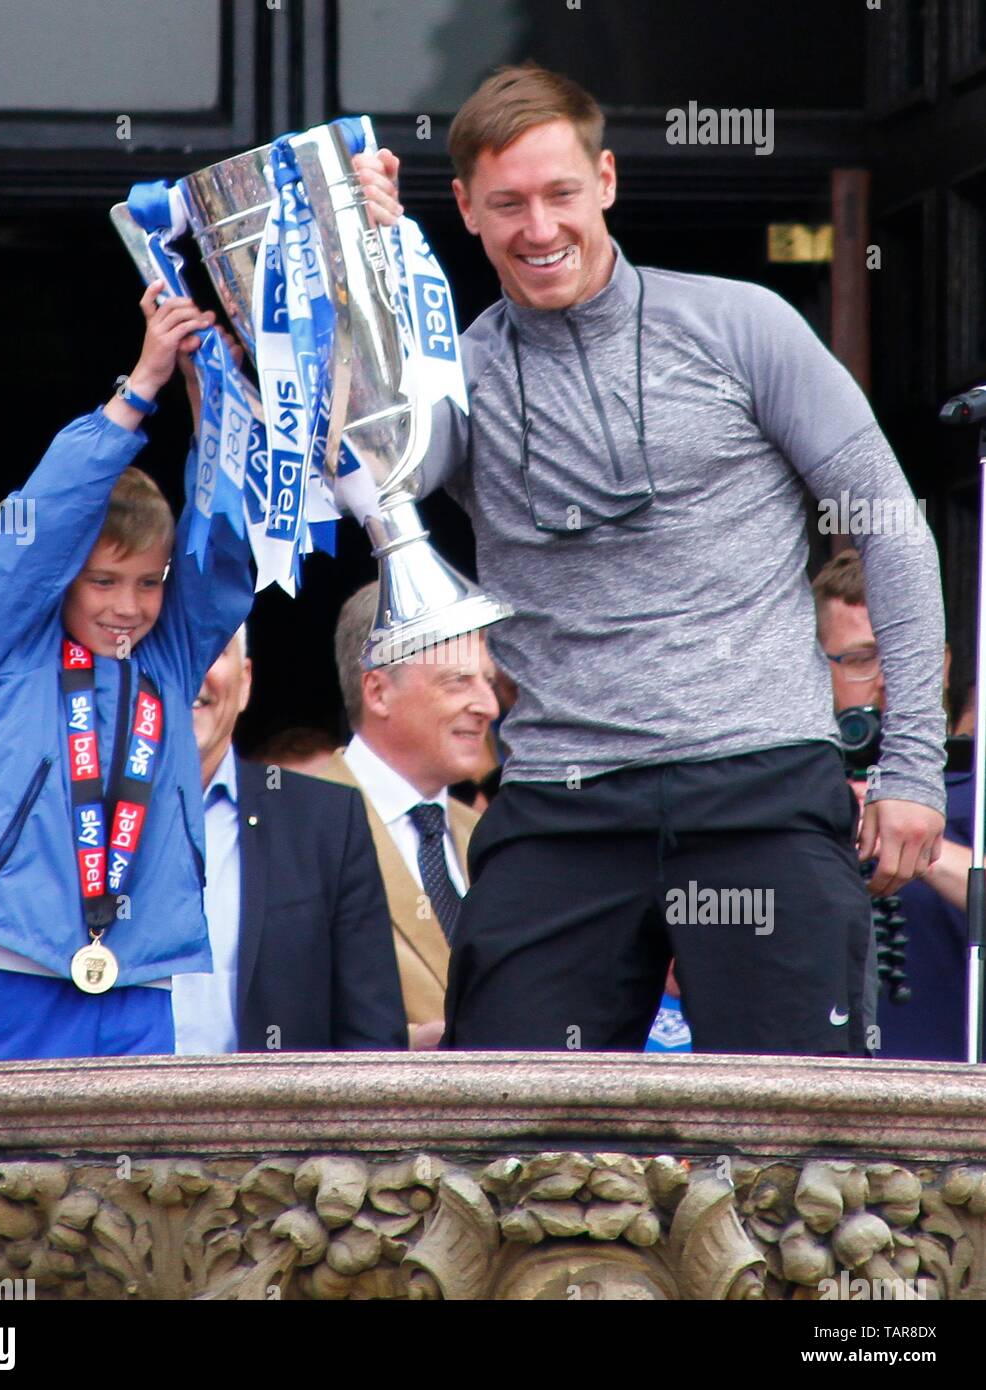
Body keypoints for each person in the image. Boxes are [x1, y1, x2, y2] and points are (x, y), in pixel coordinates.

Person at [359, 63, 946, 1054]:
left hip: (758, 786)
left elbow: (889, 526)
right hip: (561, 803)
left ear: (608, 181)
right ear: (463, 207)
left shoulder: (742, 324)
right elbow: (363, 462)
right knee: (496, 1134)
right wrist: (358, 260)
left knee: (797, 1149)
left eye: (560, 194)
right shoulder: (453, 372)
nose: (539, 228)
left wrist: (914, 768)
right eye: (507, 204)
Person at [0, 283, 255, 1061]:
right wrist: (140, 388)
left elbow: (225, 556)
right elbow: (32, 539)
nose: (128, 608)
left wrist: (216, 414)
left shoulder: (169, 659)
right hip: (13, 961)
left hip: (140, 971)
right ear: (65, 580)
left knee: (138, 1185)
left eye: (148, 582)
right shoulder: (13, 644)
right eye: (102, 582)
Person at [169, 628, 406, 1052]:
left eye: (211, 648)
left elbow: (371, 1042)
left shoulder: (326, 822)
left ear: (245, 683)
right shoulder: (72, 819)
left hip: (275, 1117)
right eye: (169, 647)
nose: (191, 669)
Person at [319, 581, 497, 1049]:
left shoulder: (490, 837)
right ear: (377, 692)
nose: (488, 706)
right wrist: (404, 1045)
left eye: (489, 683)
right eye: (459, 680)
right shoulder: (295, 827)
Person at [813, 549, 971, 1061]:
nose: (886, 679)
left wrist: (914, 840)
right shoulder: (788, 797)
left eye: (905, 657)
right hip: (816, 1097)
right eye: (861, 660)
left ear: (942, 665)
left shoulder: (979, 786)